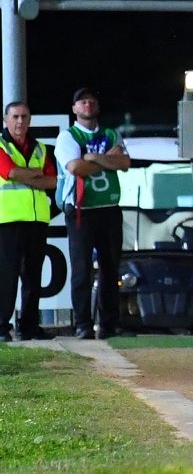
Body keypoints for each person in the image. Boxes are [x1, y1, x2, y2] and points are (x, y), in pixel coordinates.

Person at [55, 87, 131, 339]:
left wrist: (94, 157)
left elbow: (124, 162)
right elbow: (75, 167)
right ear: (74, 109)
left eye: (91, 101)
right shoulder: (69, 137)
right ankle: (83, 324)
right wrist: (103, 159)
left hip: (109, 208)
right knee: (81, 269)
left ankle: (109, 324)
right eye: (82, 102)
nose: (87, 105)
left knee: (111, 269)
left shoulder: (111, 134)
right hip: (81, 210)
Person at [0, 102, 57, 341]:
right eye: (15, 117)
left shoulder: (40, 148)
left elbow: (53, 181)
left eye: (24, 116)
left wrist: (26, 174)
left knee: (34, 275)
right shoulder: (1, 145)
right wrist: (36, 175)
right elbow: (10, 173)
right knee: (7, 275)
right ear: (6, 120)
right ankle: (3, 326)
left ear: (30, 119)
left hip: (36, 221)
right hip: (8, 220)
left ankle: (29, 326)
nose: (20, 122)